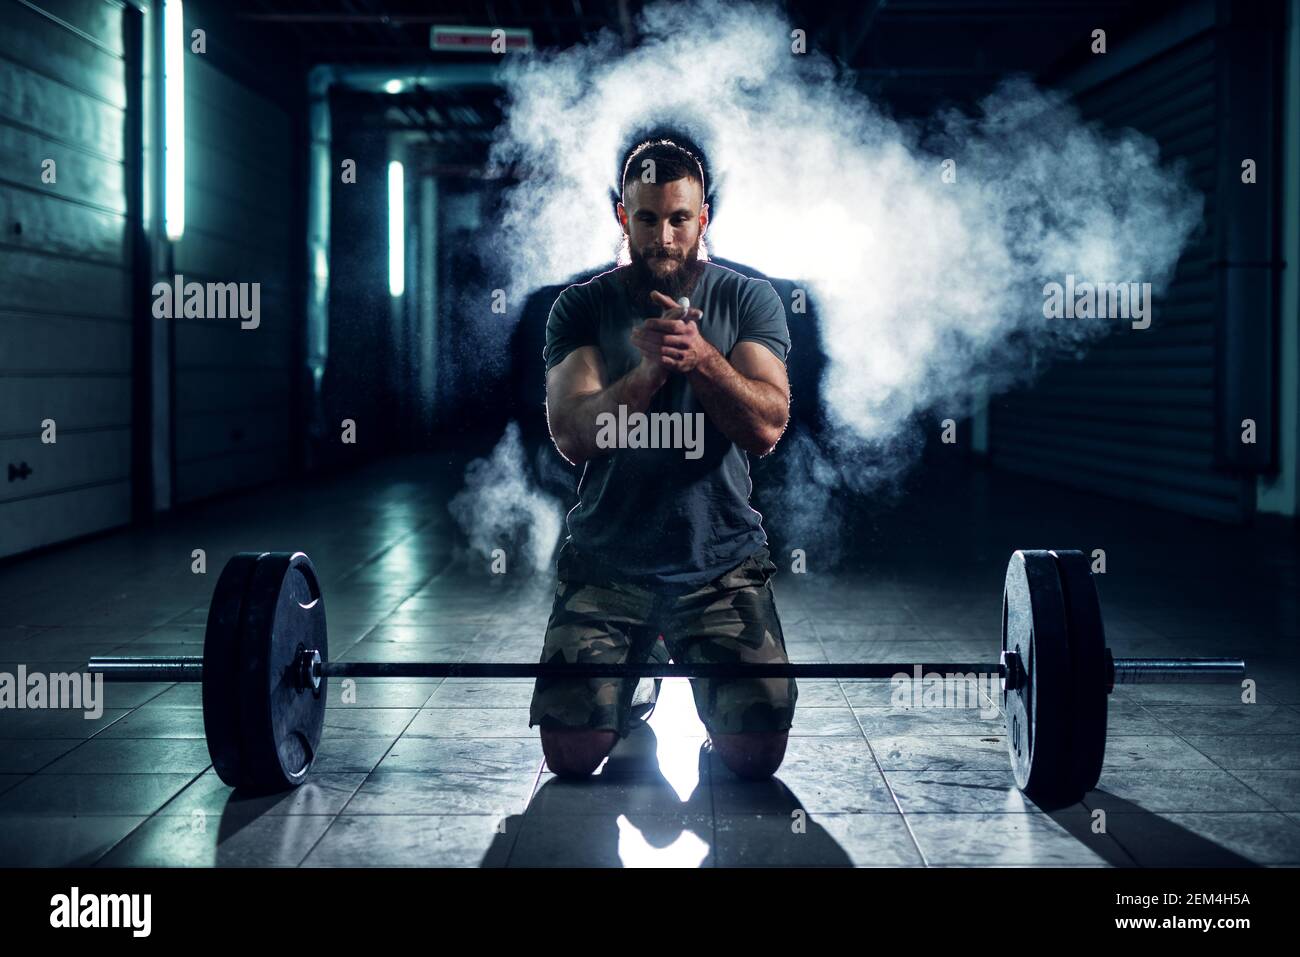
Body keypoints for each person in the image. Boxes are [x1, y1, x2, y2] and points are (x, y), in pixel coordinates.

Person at [528, 138, 797, 780]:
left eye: (680, 219)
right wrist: (648, 374)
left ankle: (674, 662)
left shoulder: (748, 299)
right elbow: (571, 433)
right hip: (608, 561)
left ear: (703, 218)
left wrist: (701, 358)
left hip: (718, 564)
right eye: (647, 219)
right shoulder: (582, 307)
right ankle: (637, 678)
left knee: (755, 756)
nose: (664, 237)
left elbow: (766, 426)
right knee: (570, 756)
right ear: (624, 217)